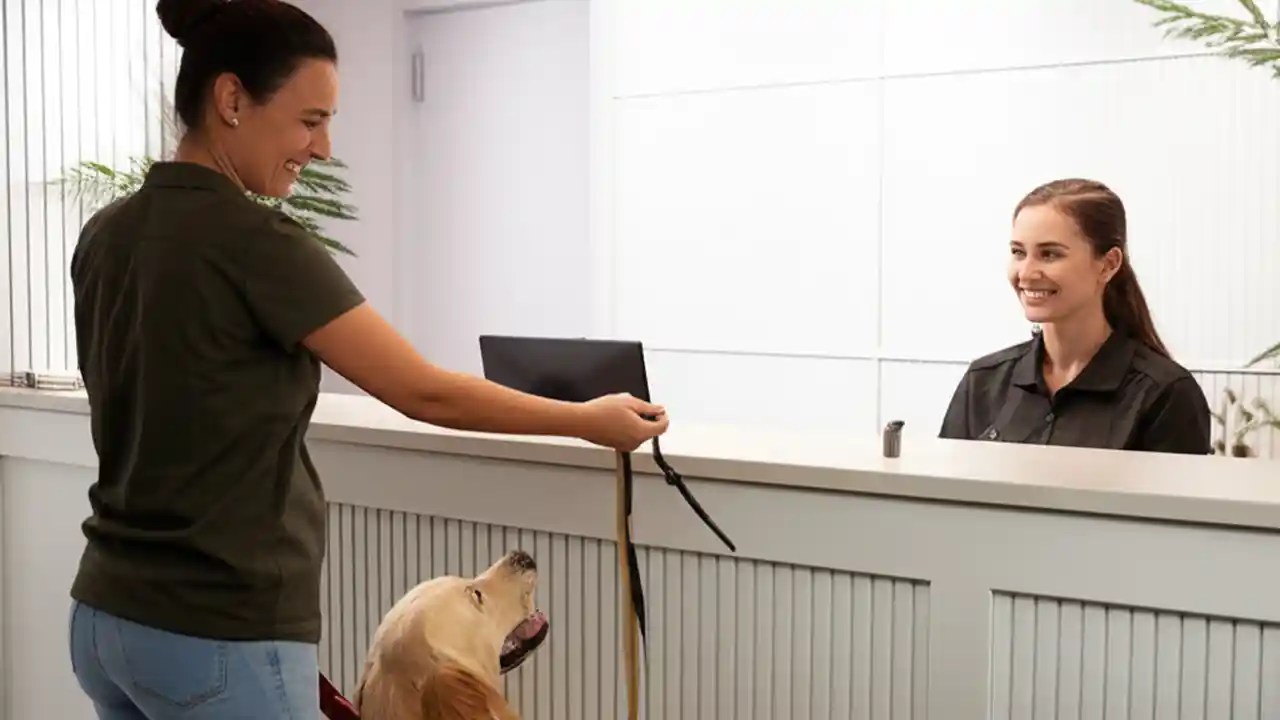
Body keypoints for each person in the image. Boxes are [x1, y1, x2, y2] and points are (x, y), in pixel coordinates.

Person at [65, 1, 668, 717]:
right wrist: (585, 419)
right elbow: (422, 392)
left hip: (105, 619)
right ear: (230, 100)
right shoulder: (257, 244)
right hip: (218, 632)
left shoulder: (107, 234)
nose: (321, 148)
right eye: (310, 119)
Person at [938, 178, 1211, 454]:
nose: (1026, 273)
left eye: (1050, 254)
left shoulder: (1164, 395)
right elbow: (945, 494)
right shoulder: (983, 383)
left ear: (1108, 265)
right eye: (1018, 252)